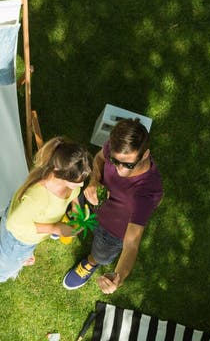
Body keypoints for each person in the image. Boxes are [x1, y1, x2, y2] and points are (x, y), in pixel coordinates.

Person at [0, 137, 92, 329]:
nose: (80, 187)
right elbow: (16, 224)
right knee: (1, 270)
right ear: (60, 174)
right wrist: (55, 228)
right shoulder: (38, 196)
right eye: (75, 183)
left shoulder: (58, 174)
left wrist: (74, 207)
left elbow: (72, 195)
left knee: (7, 243)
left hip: (19, 225)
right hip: (19, 238)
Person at [62, 117, 163, 292]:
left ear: (145, 154)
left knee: (100, 254)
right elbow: (100, 158)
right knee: (78, 207)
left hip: (112, 231)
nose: (119, 169)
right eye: (116, 162)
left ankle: (91, 262)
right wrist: (94, 180)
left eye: (128, 164)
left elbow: (132, 243)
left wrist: (118, 278)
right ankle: (76, 221)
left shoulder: (148, 191)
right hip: (95, 202)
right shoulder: (115, 147)